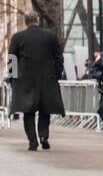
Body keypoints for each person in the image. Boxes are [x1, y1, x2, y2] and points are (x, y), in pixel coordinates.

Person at [8, 13, 66, 151]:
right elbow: (58, 58)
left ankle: (32, 141)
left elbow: (12, 59)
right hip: (47, 77)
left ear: (25, 22)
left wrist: (12, 78)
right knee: (45, 109)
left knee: (28, 111)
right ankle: (43, 135)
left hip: (25, 79)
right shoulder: (50, 36)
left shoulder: (17, 37)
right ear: (38, 20)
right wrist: (56, 74)